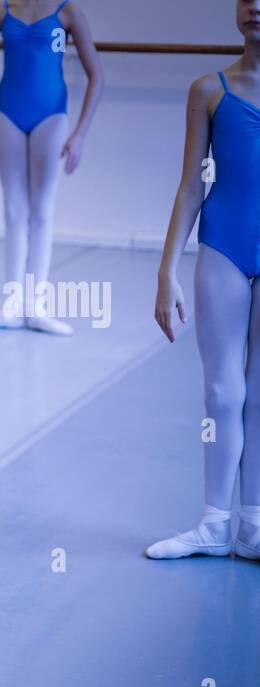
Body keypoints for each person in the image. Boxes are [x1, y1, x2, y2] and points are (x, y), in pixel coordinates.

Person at [147, 0, 260, 561]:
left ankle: (254, 524)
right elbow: (190, 184)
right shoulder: (208, 91)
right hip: (224, 249)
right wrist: (167, 270)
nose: (257, 7)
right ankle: (216, 522)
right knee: (222, 390)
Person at [0, 0, 103, 335]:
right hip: (9, 113)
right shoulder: (1, 12)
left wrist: (79, 134)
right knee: (13, 210)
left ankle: (35, 307)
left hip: (51, 116)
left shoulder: (68, 12)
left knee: (41, 211)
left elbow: (97, 75)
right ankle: (12, 306)